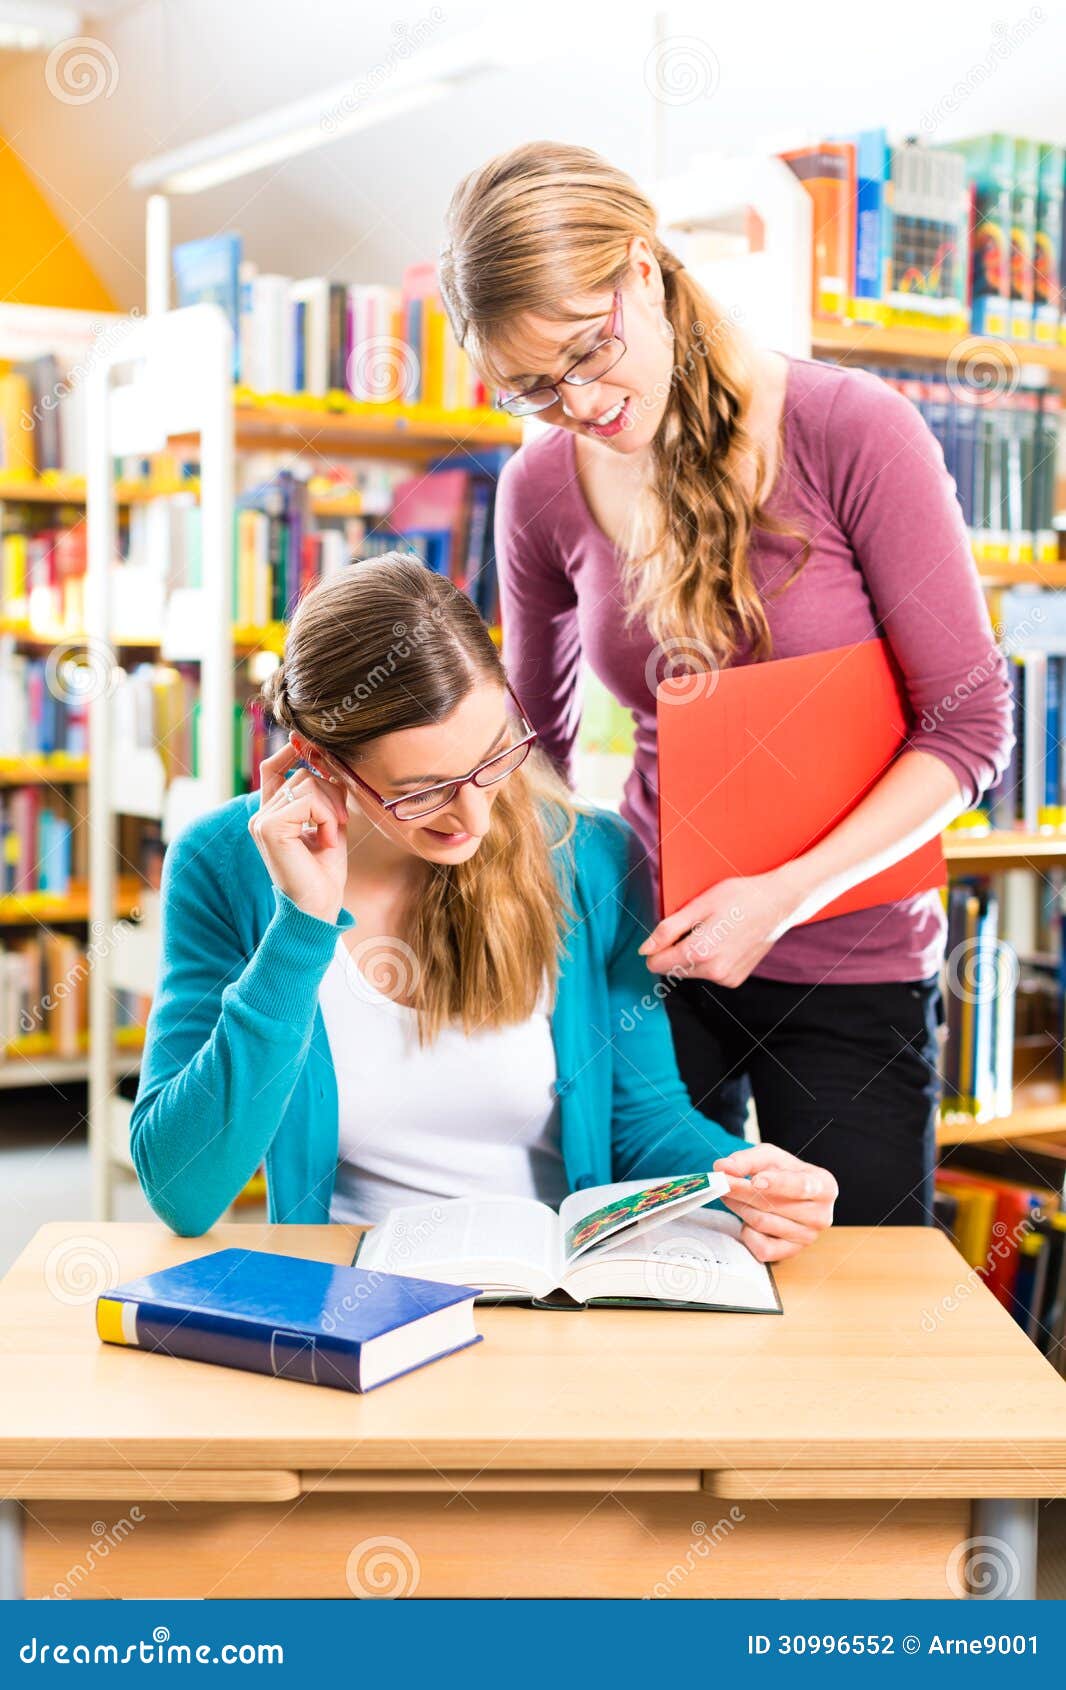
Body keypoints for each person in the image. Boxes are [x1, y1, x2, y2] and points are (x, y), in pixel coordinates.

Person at [438, 141, 1014, 1226]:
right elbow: (531, 752)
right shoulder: (541, 488)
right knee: (648, 1287)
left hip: (848, 956)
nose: (578, 402)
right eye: (531, 387)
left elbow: (970, 723)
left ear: (643, 272)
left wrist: (784, 893)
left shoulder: (854, 430)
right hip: (646, 965)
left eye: (586, 352)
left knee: (854, 1297)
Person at [130, 554, 836, 1263]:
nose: (473, 813)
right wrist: (301, 926)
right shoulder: (224, 863)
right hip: (350, 1297)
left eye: (495, 755)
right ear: (319, 759)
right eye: (422, 789)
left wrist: (747, 1178)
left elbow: (642, 1120)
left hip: (555, 1291)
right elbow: (183, 1193)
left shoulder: (590, 856)